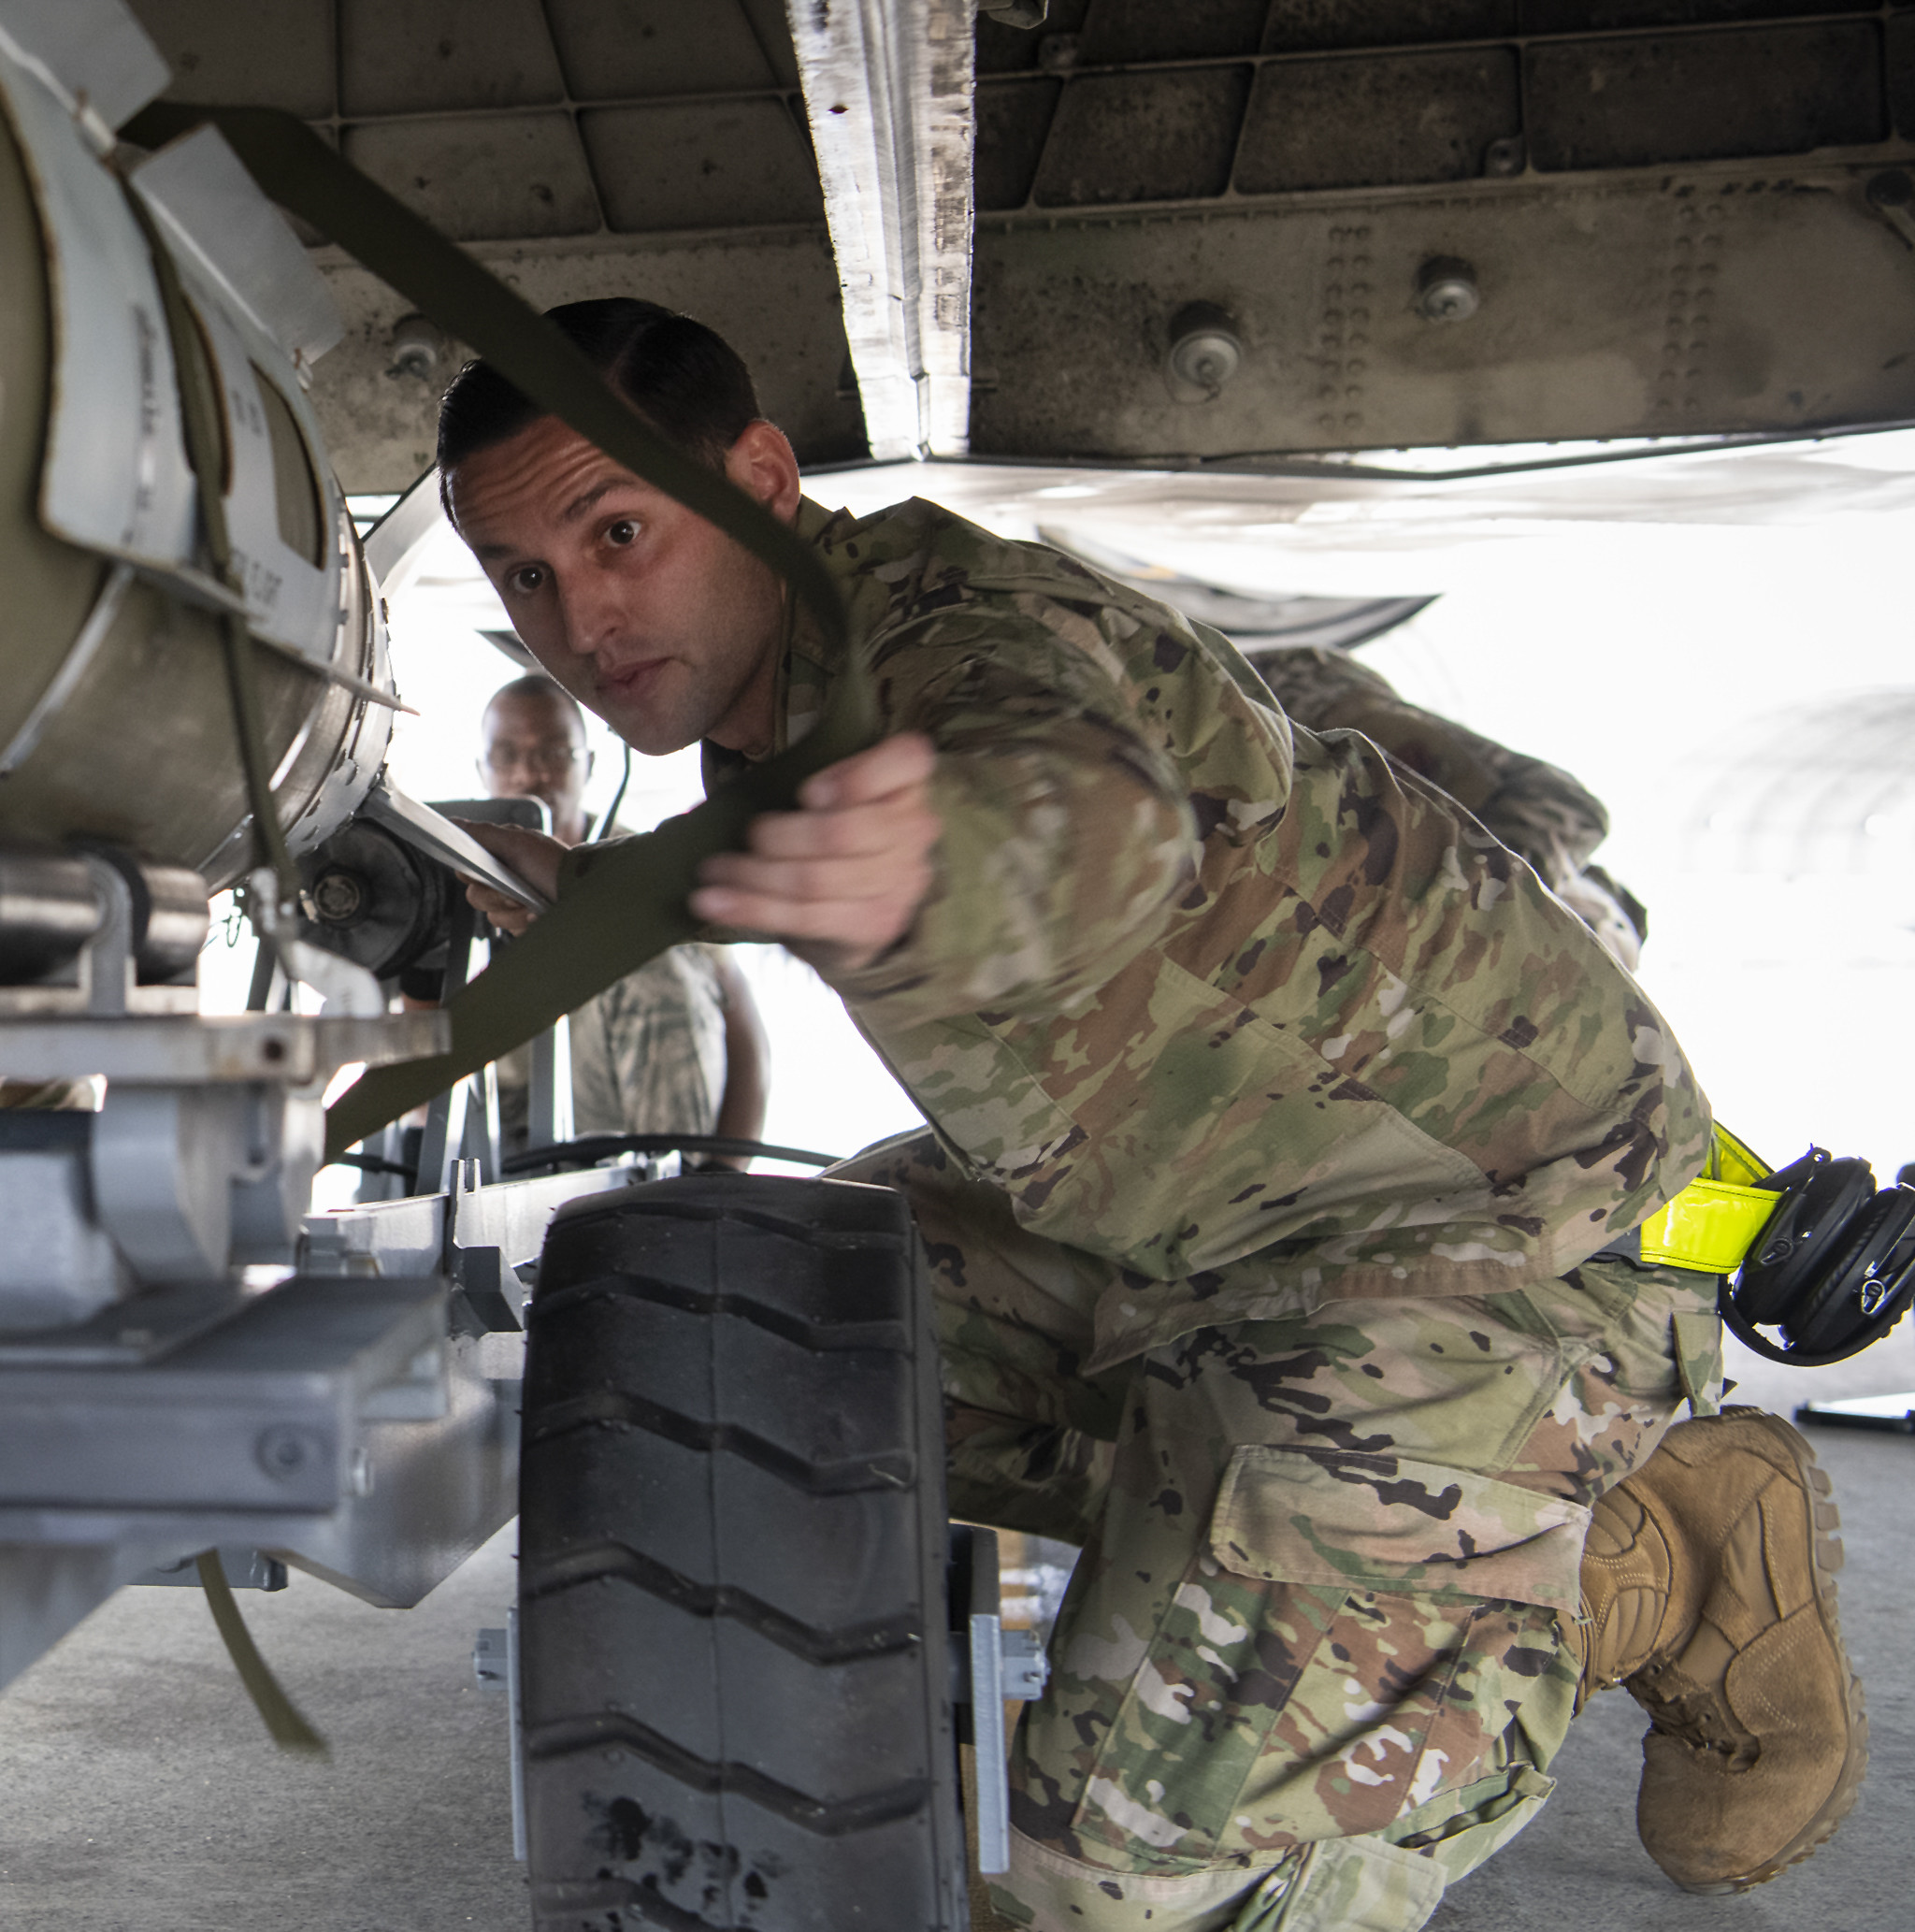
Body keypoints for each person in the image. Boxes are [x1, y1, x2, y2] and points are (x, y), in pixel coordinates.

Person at [439, 297, 1861, 1928]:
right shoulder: (769, 703)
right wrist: (581, 888)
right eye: (527, 576)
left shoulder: (946, 624)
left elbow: (1087, 806)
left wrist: (949, 864)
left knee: (1112, 1881)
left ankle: (1639, 1572)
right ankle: (1342, 1562)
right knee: (769, 1319)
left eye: (621, 529)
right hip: (1189, 1217)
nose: (586, 613)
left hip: (1475, 1246)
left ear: (763, 479)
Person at [475, 672, 767, 1155]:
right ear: (482, 768)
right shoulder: (458, 874)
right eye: (507, 756)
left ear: (586, 766)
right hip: (500, 1119)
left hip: (621, 1114)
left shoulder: (642, 868)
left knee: (654, 963)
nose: (529, 775)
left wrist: (722, 1180)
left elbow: (744, 1033)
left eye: (554, 753)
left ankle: (669, 1197)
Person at [1248, 643, 1649, 972]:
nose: (1567, 937)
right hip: (1278, 687)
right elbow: (1553, 821)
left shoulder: (1441, 948)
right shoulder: (1562, 818)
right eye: (1588, 929)